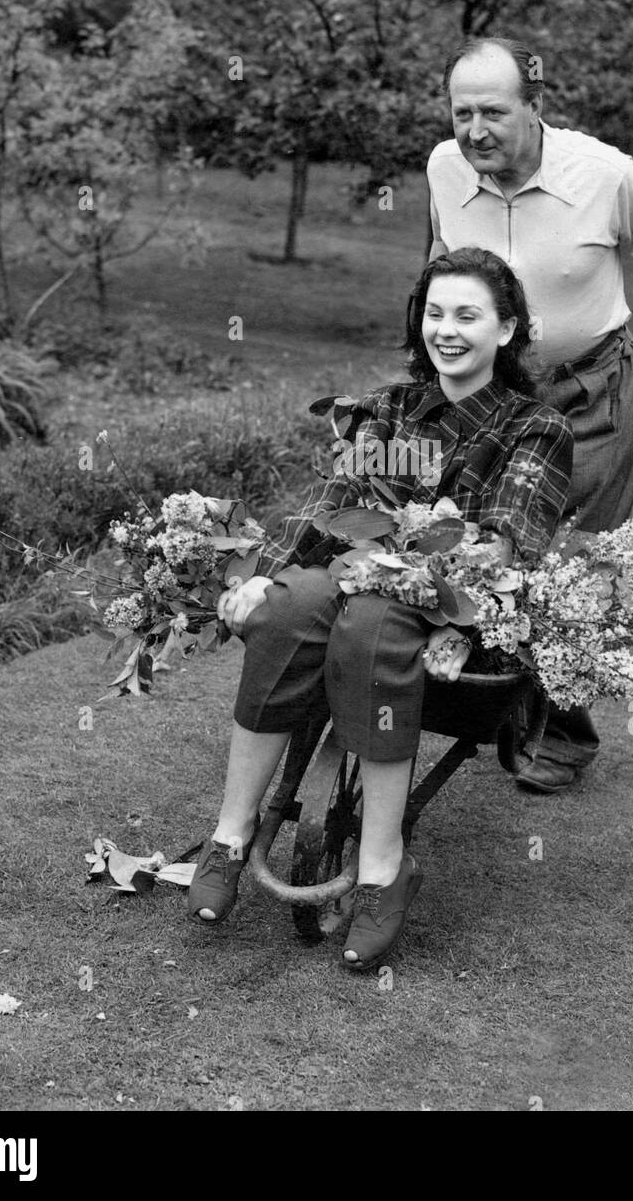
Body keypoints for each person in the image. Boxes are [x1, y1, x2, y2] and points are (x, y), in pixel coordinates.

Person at [188, 248, 572, 967]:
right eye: (434, 313)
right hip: (357, 569)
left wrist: (412, 561)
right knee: (283, 610)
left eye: (467, 315)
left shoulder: (534, 428)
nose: (446, 330)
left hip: (452, 605)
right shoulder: (390, 408)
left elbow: (505, 540)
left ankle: (380, 864)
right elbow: (335, 504)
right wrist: (261, 576)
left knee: (368, 625)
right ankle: (230, 836)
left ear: (508, 327)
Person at [427, 36, 633, 794]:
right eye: (462, 112)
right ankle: (487, 694)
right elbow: (440, 262)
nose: (475, 130)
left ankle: (566, 734)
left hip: (593, 394)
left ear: (536, 105)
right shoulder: (444, 170)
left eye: (494, 111)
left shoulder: (606, 174)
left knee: (565, 557)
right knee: (474, 534)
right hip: (496, 397)